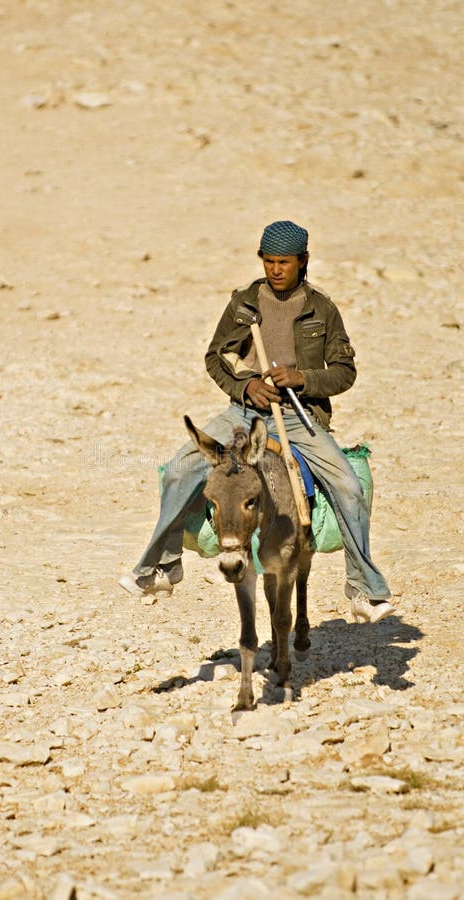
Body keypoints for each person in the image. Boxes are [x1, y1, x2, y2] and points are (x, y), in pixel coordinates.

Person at [119, 220, 396, 623]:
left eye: (284, 262)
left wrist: (303, 379)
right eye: (268, 261)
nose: (275, 270)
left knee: (349, 487)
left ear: (302, 261)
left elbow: (344, 372)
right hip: (243, 413)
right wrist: (247, 387)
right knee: (179, 470)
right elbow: (216, 357)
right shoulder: (243, 304)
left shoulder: (323, 308)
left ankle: (363, 590)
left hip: (300, 417)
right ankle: (161, 566)